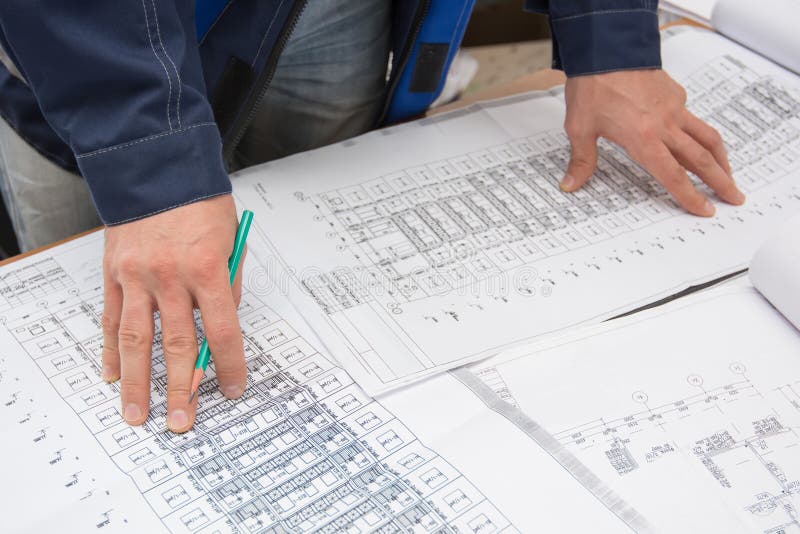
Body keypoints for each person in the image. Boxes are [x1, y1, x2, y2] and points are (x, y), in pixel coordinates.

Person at [0, 1, 745, 433]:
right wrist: (145, 154)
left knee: (315, 211)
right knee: (98, 260)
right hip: (92, 34)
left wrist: (604, 26)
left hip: (348, 15)